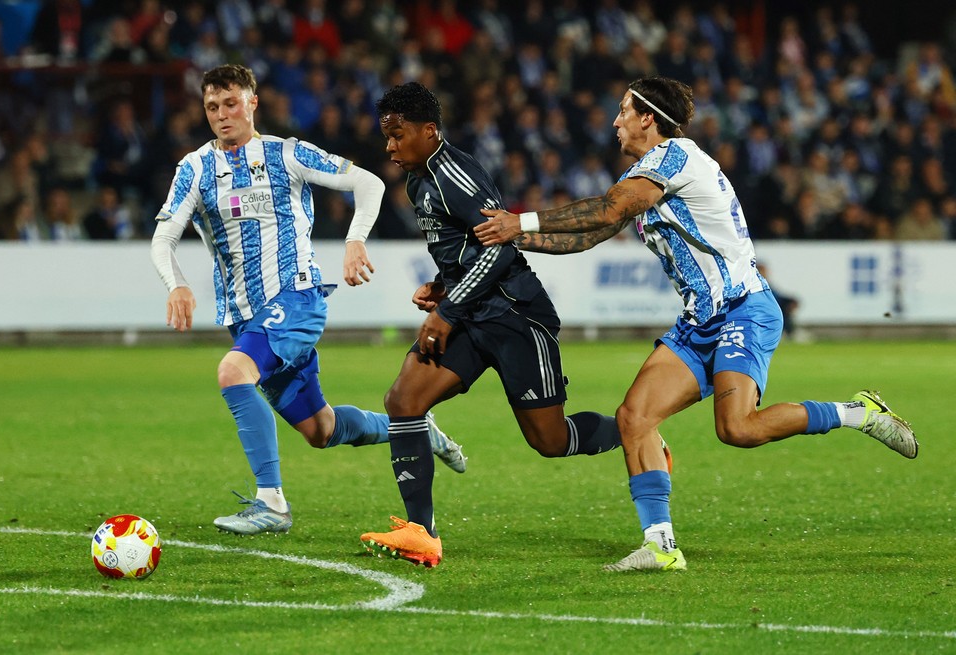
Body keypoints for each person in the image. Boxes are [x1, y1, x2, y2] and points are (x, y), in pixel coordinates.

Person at [475, 75, 918, 572]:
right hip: (697, 322)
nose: (615, 120)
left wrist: (522, 220)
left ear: (648, 117)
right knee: (634, 419)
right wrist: (507, 237)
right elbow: (591, 233)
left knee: (738, 429)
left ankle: (858, 412)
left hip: (742, 309)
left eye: (623, 110)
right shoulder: (647, 173)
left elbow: (609, 207)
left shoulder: (675, 158)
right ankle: (661, 546)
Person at [150, 65, 466, 536]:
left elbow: (370, 184)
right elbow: (163, 236)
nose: (221, 114)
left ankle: (271, 503)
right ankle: (416, 428)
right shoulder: (195, 168)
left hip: (296, 300)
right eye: (212, 106)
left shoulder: (286, 154)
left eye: (231, 103)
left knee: (232, 373)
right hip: (245, 318)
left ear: (253, 102)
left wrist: (355, 239)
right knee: (321, 430)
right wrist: (175, 282)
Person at [359, 82, 656, 568]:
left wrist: (446, 310)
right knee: (404, 400)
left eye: (397, 135)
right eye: (386, 135)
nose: (389, 146)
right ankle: (421, 532)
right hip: (471, 312)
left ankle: (636, 434)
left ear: (428, 131)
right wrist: (442, 284)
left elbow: (499, 248)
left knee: (550, 440)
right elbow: (468, 250)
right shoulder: (417, 178)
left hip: (515, 316)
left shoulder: (454, 174)